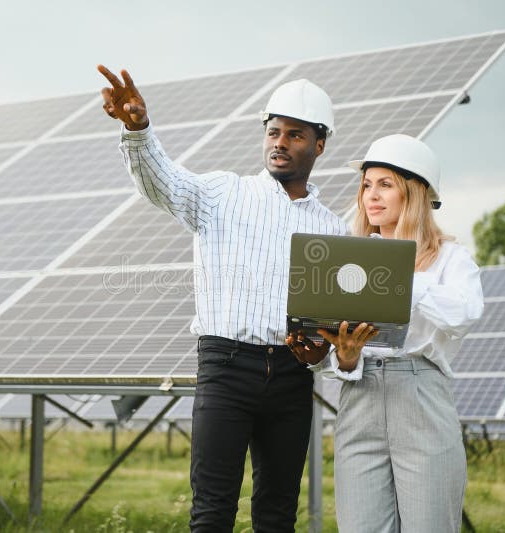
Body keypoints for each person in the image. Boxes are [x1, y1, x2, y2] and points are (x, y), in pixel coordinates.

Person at [98, 65, 347, 532]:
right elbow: (163, 182)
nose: (280, 142)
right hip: (226, 368)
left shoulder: (333, 229)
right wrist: (137, 129)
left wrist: (322, 350)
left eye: (295, 135)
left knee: (276, 515)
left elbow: (330, 327)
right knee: (212, 512)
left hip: (293, 380)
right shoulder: (223, 194)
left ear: (319, 144)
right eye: (274, 131)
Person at [287, 134, 484, 532]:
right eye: (366, 185)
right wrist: (344, 357)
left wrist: (397, 272)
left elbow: (465, 312)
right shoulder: (347, 259)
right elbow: (337, 350)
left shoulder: (450, 258)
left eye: (385, 185)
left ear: (413, 192)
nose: (370, 196)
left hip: (421, 397)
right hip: (359, 398)